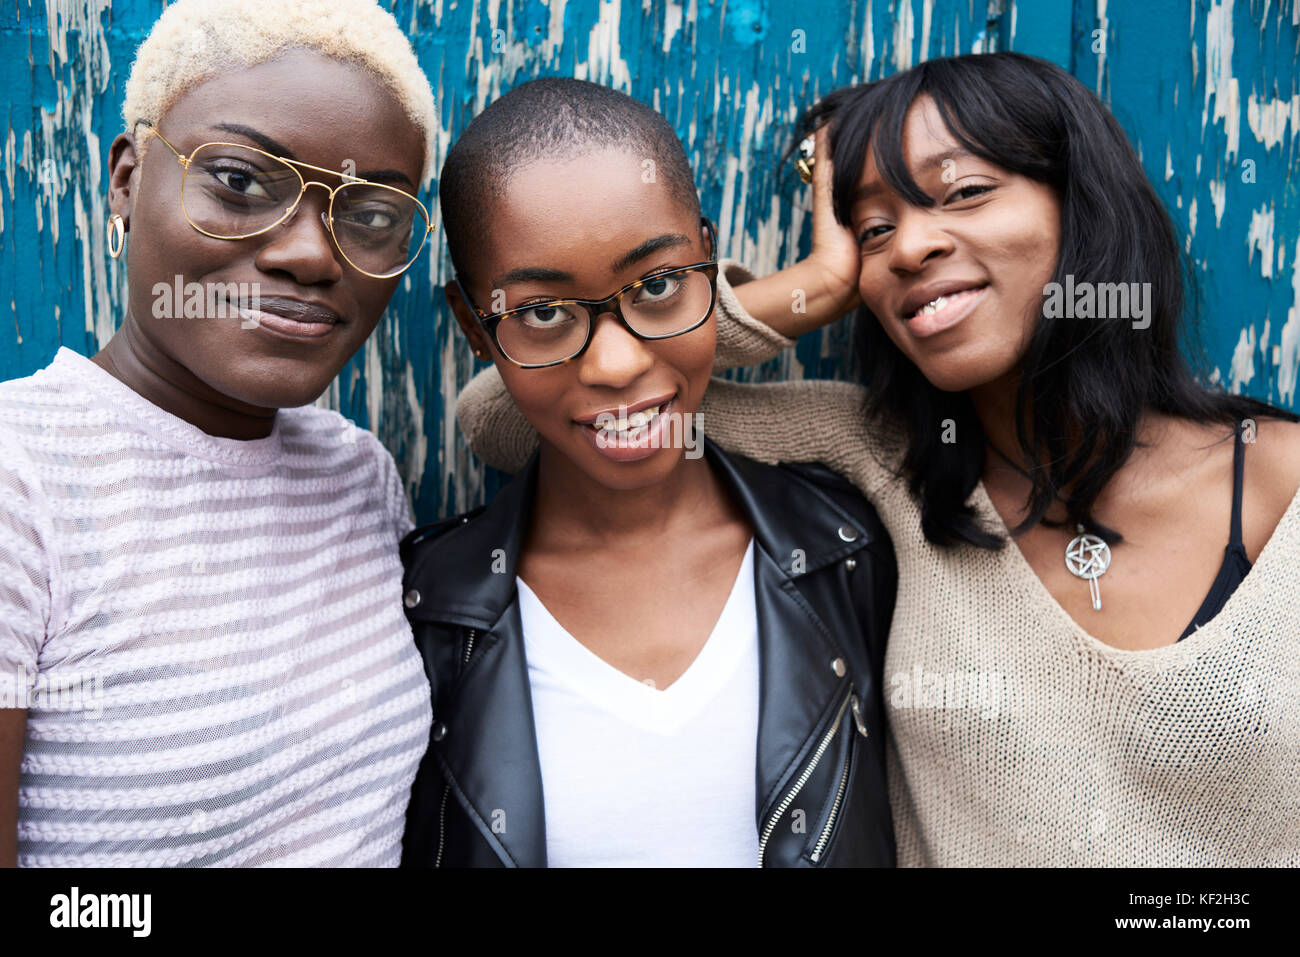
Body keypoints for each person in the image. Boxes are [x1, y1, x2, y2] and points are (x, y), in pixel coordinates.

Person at [458, 53, 1300, 866]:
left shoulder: (1280, 481)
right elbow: (508, 414)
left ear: (1082, 205)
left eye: (964, 192)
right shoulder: (885, 459)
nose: (908, 249)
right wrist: (820, 282)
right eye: (873, 229)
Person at [399, 78, 897, 867]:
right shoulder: (420, 615)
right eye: (541, 312)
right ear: (473, 326)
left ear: (708, 255)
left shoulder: (854, 549)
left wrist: (827, 284)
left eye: (659, 285)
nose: (620, 361)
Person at [0, 0, 439, 866]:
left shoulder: (356, 475)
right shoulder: (22, 476)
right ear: (126, 179)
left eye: (373, 215)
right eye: (239, 182)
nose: (313, 254)